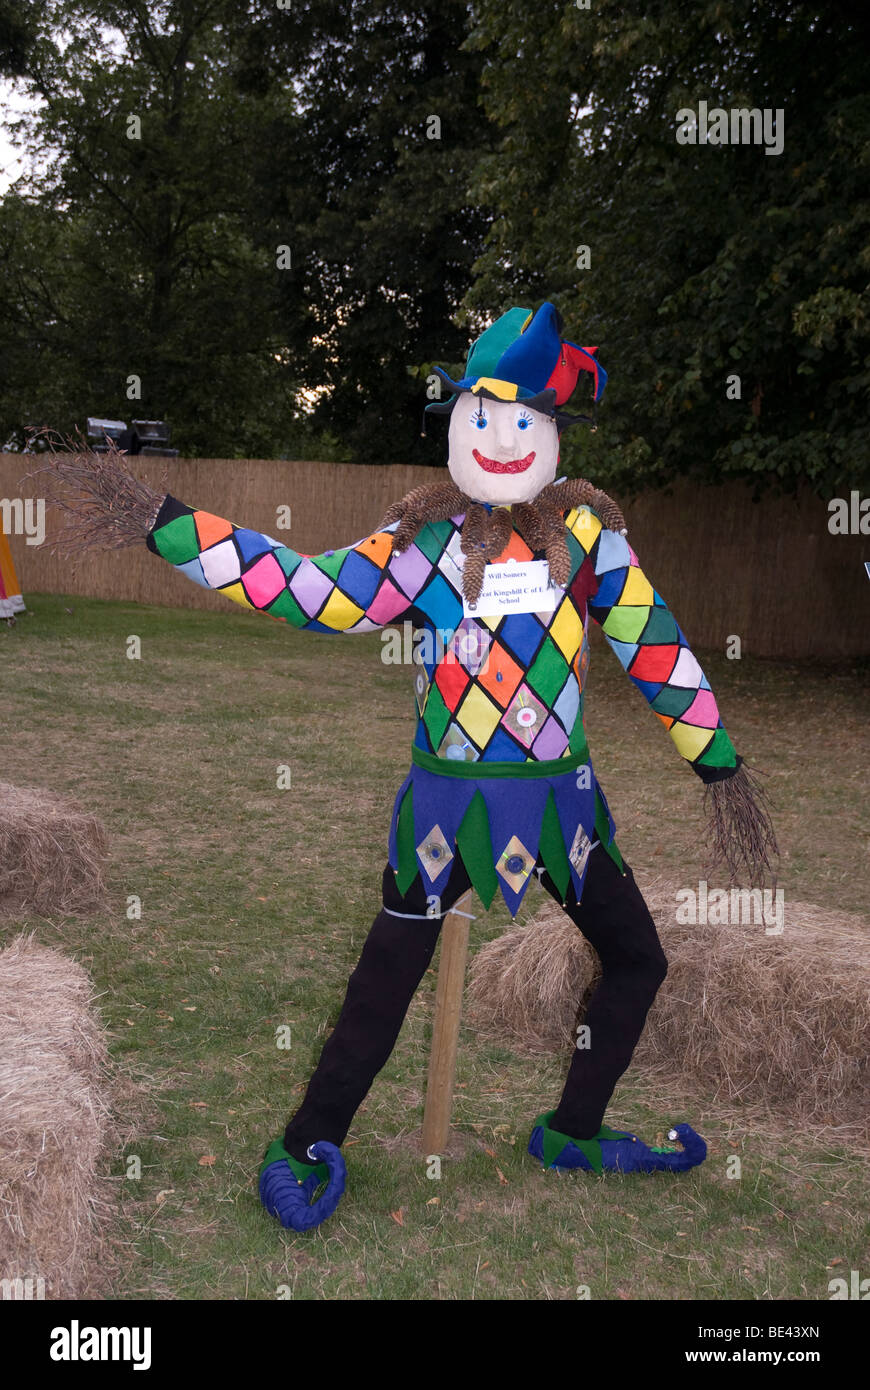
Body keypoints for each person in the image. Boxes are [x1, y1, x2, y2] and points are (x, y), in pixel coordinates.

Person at [41, 302, 776, 1230]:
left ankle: (573, 1130)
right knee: (384, 982)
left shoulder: (591, 544)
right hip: (447, 817)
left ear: (549, 433)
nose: (500, 438)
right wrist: (169, 525)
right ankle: (308, 1140)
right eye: (480, 416)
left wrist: (717, 762)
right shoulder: (424, 548)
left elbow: (653, 646)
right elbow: (309, 588)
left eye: (521, 421)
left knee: (637, 958)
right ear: (457, 426)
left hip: (563, 814)